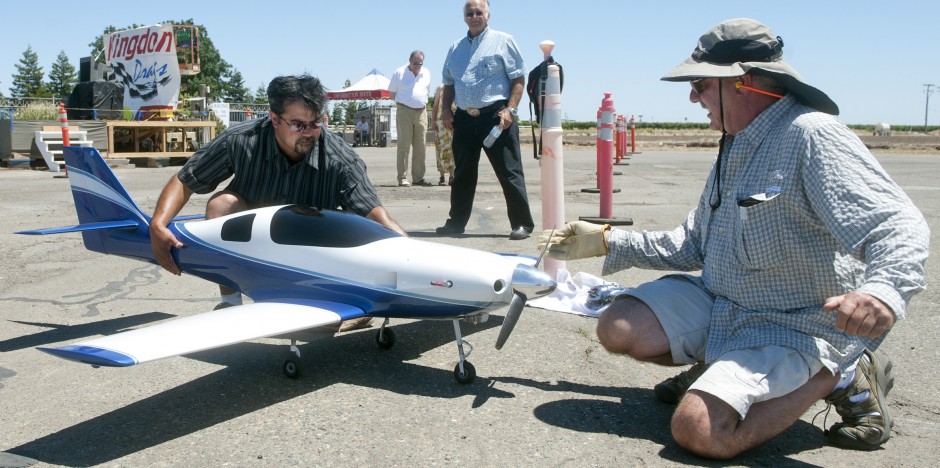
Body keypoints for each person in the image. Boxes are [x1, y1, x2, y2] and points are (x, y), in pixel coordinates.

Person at [537, 18, 929, 458]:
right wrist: (605, 240)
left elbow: (897, 224)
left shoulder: (812, 136)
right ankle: (722, 368)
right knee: (619, 325)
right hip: (726, 304)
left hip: (792, 322)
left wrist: (882, 291)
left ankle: (840, 370)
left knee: (700, 431)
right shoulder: (736, 141)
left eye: (701, 84)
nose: (693, 96)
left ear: (742, 83)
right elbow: (694, 244)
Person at [149, 74, 406, 332]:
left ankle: (350, 304)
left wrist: (410, 254)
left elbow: (374, 213)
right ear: (274, 119)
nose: (308, 133)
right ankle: (230, 303)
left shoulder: (341, 159)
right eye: (298, 125)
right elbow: (186, 179)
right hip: (255, 239)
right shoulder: (240, 140)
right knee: (221, 205)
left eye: (315, 123)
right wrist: (157, 225)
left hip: (312, 246)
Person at [436, 0, 535, 240]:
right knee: (462, 174)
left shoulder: (504, 41)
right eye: (469, 13)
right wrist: (446, 111)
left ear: (488, 15)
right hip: (465, 120)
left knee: (509, 171)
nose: (474, 16)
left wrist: (510, 109)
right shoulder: (455, 48)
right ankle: (456, 223)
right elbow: (449, 83)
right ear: (464, 18)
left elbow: (518, 79)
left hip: (496, 118)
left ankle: (522, 223)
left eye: (479, 12)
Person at [388, 50, 432, 187]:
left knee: (421, 146)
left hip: (421, 112)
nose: (417, 65)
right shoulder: (399, 72)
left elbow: (427, 91)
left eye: (420, 63)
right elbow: (391, 94)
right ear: (409, 61)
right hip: (404, 110)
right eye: (415, 63)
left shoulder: (427, 73)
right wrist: (404, 104)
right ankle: (402, 177)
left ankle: (418, 178)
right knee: (404, 145)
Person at [431, 83, 456, 186]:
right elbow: (436, 104)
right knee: (441, 148)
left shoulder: (458, 85)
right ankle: (442, 176)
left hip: (454, 121)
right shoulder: (440, 87)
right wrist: (433, 121)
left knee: (452, 148)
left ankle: (452, 175)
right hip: (440, 121)